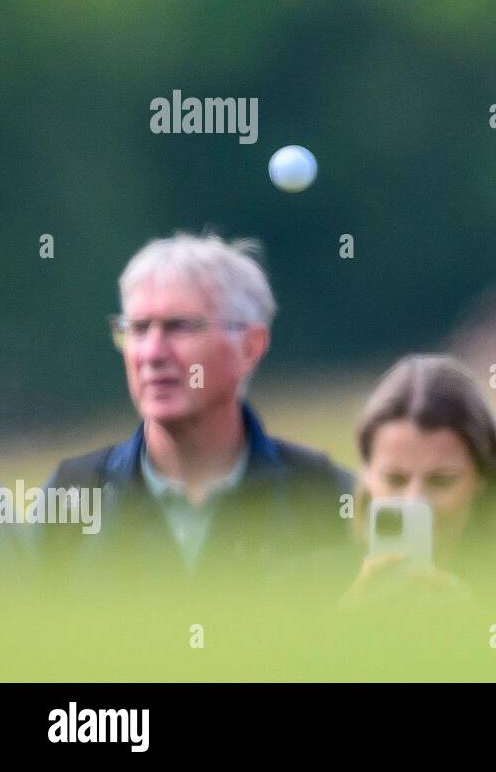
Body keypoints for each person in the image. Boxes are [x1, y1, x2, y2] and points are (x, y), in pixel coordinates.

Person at [34, 232, 352, 591]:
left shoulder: (325, 497)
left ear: (250, 346)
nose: (152, 353)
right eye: (137, 329)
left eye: (179, 327)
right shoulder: (73, 496)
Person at [345, 354, 496, 604]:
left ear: (483, 479)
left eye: (441, 481)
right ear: (366, 475)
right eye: (395, 479)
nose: (415, 500)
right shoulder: (314, 581)